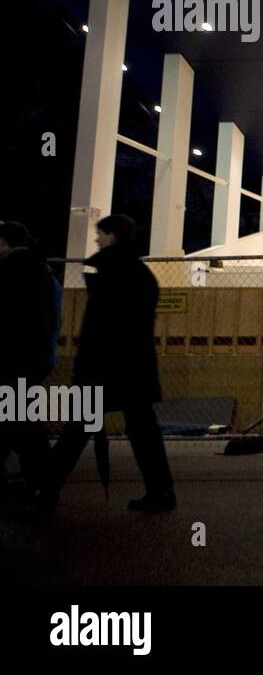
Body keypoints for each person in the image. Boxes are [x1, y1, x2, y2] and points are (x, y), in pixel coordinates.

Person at [40, 215, 176, 512]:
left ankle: (47, 488)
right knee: (143, 431)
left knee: (77, 430)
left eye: (100, 233)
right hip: (134, 366)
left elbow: (98, 328)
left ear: (112, 235)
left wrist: (84, 367)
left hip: (103, 364)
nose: (97, 239)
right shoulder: (141, 274)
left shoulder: (109, 272)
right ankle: (160, 491)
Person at [0, 221, 58, 495]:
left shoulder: (9, 272)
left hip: (13, 358)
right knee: (17, 417)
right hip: (33, 357)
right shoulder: (42, 272)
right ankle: (41, 476)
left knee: (18, 420)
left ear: (4, 243)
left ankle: (43, 476)